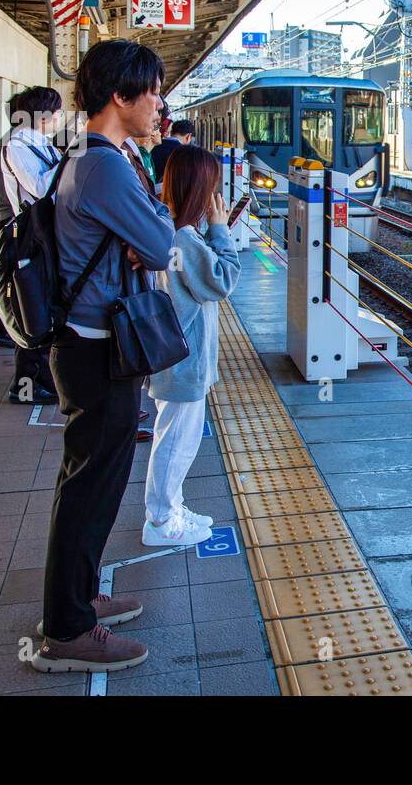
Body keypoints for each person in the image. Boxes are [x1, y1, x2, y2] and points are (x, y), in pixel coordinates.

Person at [32, 39, 175, 675]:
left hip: (90, 343)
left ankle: (81, 600)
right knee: (92, 486)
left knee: (92, 479)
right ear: (120, 96)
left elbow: (148, 239)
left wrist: (145, 234)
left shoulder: (91, 157)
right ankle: (67, 629)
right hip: (95, 350)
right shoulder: (106, 166)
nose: (159, 106)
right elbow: (162, 240)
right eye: (152, 93)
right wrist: (149, 232)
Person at [143, 146, 240, 547]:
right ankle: (161, 520)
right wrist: (220, 229)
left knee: (179, 438)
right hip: (183, 360)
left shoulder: (167, 227)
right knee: (176, 441)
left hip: (175, 355)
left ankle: (173, 507)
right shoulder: (183, 237)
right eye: (212, 187)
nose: (216, 195)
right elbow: (223, 280)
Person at [0, 86, 63, 405]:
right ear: (44, 115)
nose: (60, 119)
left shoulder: (40, 143)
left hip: (43, 233)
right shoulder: (16, 145)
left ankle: (39, 379)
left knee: (41, 302)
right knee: (31, 303)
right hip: (28, 236)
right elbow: (38, 188)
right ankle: (24, 385)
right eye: (57, 113)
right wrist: (68, 162)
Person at [150, 119, 195, 188]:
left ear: (171, 132)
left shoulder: (154, 146)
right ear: (189, 136)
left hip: (150, 187)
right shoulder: (185, 153)